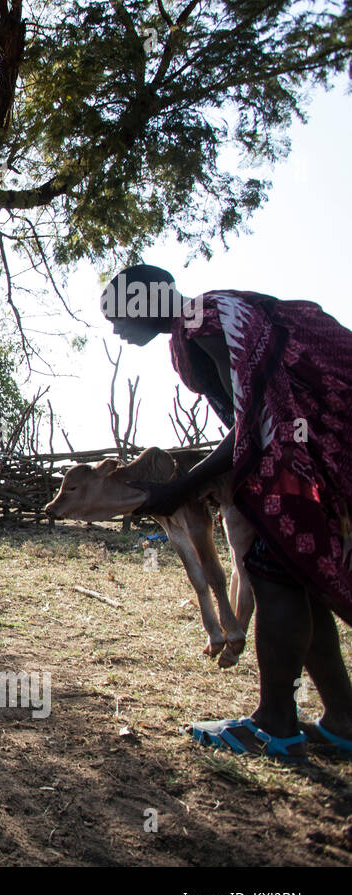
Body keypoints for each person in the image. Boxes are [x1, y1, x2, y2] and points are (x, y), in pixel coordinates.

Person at [100, 264, 352, 760]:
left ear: (146, 300)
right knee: (301, 579)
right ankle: (344, 719)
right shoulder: (193, 330)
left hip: (298, 456)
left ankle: (273, 724)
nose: (114, 328)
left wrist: (181, 488)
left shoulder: (204, 322)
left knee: (274, 574)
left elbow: (255, 421)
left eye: (118, 315)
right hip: (307, 448)